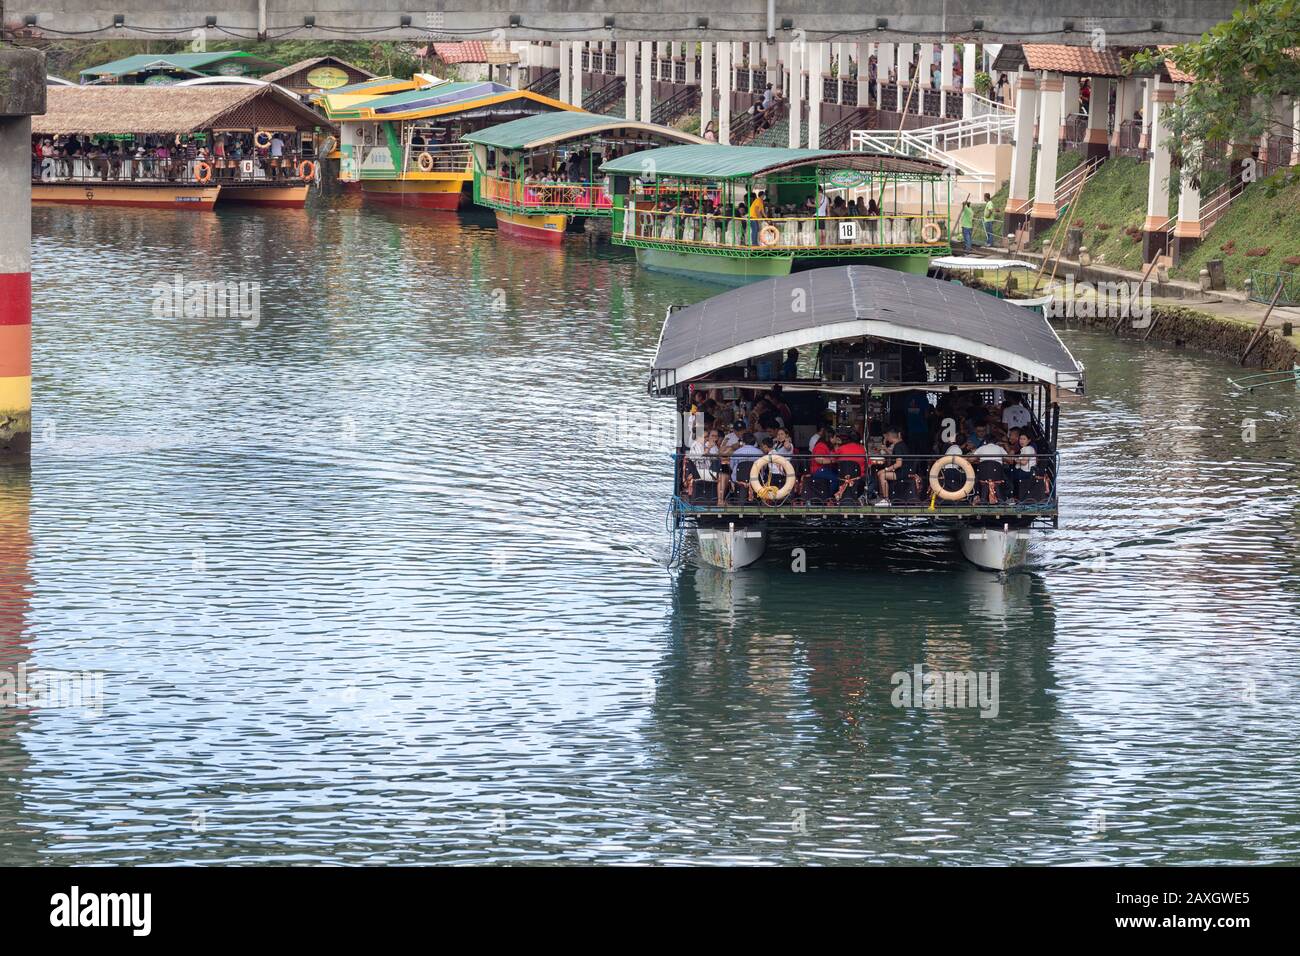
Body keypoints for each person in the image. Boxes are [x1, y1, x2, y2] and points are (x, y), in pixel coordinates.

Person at [687, 428, 727, 504]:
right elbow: (700, 459)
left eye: (707, 436)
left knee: (724, 475)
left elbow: (712, 458)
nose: (707, 439)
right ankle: (720, 501)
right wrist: (708, 448)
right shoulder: (696, 445)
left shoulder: (703, 445)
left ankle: (719, 500)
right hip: (700, 472)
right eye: (705, 437)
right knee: (723, 477)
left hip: (706, 470)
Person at [874, 429, 911, 505]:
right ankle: (883, 497)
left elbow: (898, 464)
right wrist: (886, 449)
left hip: (902, 472)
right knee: (880, 473)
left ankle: (886, 499)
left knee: (882, 475)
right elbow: (894, 455)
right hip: (904, 470)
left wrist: (885, 469)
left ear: (890, 436)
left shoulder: (898, 446)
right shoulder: (901, 444)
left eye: (887, 437)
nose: (886, 439)